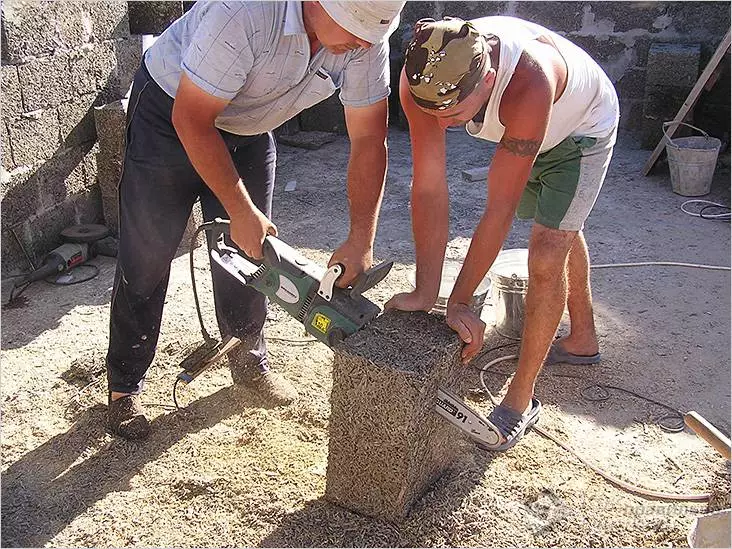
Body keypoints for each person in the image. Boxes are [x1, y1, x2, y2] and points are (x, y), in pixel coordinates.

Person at [106, 0, 405, 440]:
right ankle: (124, 388)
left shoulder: (366, 37)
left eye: (368, 37)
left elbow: (368, 138)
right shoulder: (245, 11)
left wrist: (362, 239)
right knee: (147, 256)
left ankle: (248, 359)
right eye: (352, 30)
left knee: (251, 257)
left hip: (247, 125)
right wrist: (241, 209)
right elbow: (192, 119)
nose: (359, 45)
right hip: (172, 114)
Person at [388, 16, 619, 450]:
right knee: (560, 228)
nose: (441, 125)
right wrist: (426, 291)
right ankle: (583, 338)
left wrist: (459, 302)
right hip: (526, 128)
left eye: (454, 113)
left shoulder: (528, 82)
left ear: (488, 77)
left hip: (580, 129)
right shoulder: (422, 76)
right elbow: (429, 188)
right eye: (430, 113)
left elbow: (499, 209)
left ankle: (521, 397)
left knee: (548, 252)